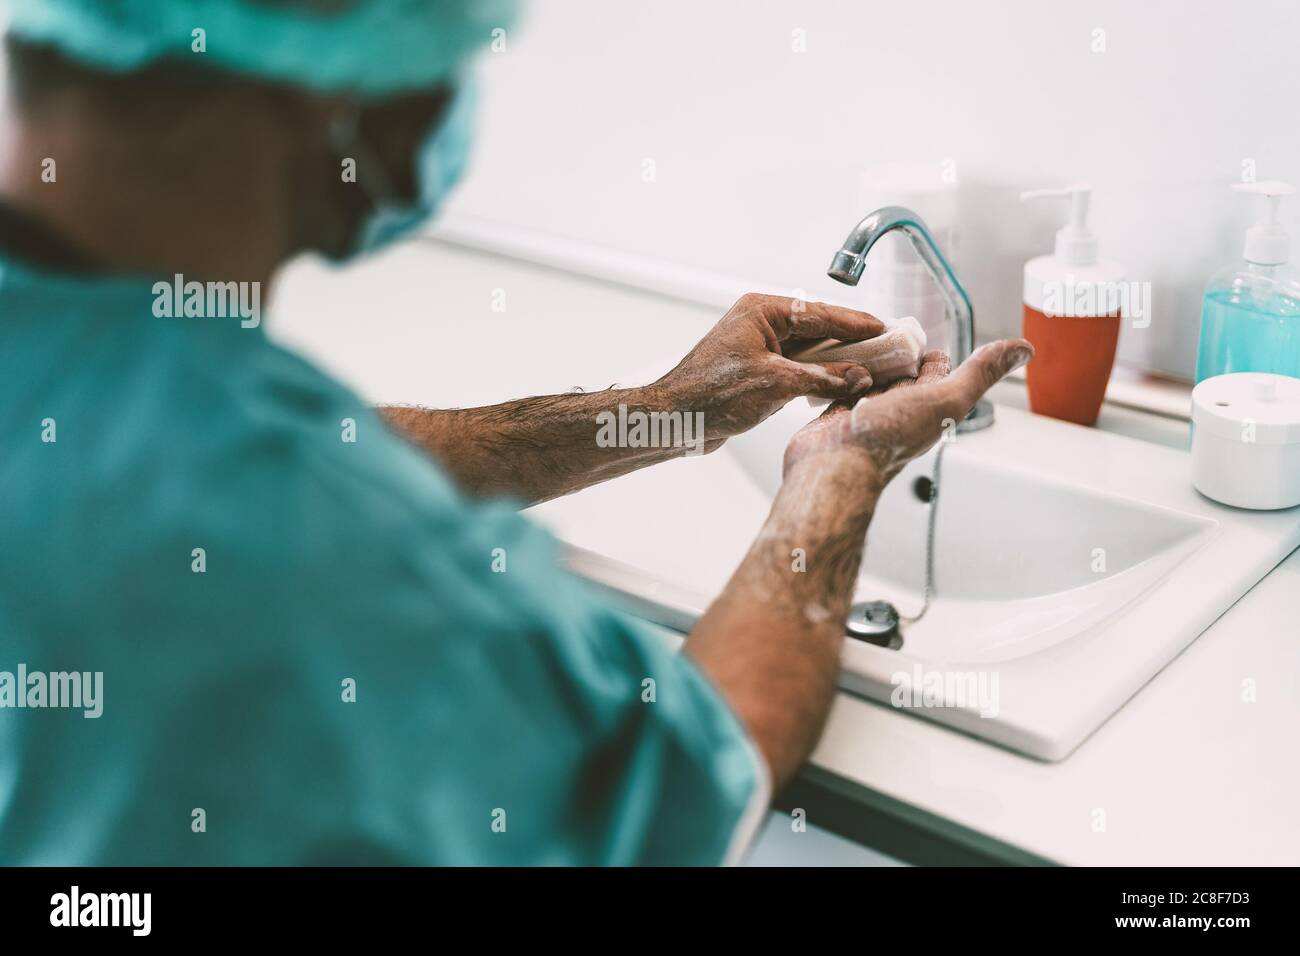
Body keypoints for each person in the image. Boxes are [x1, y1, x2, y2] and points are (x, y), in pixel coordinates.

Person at [0, 0, 1031, 865]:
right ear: (344, 96)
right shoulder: (310, 540)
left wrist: (668, 409)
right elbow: (694, 769)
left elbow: (277, 451)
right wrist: (838, 472)